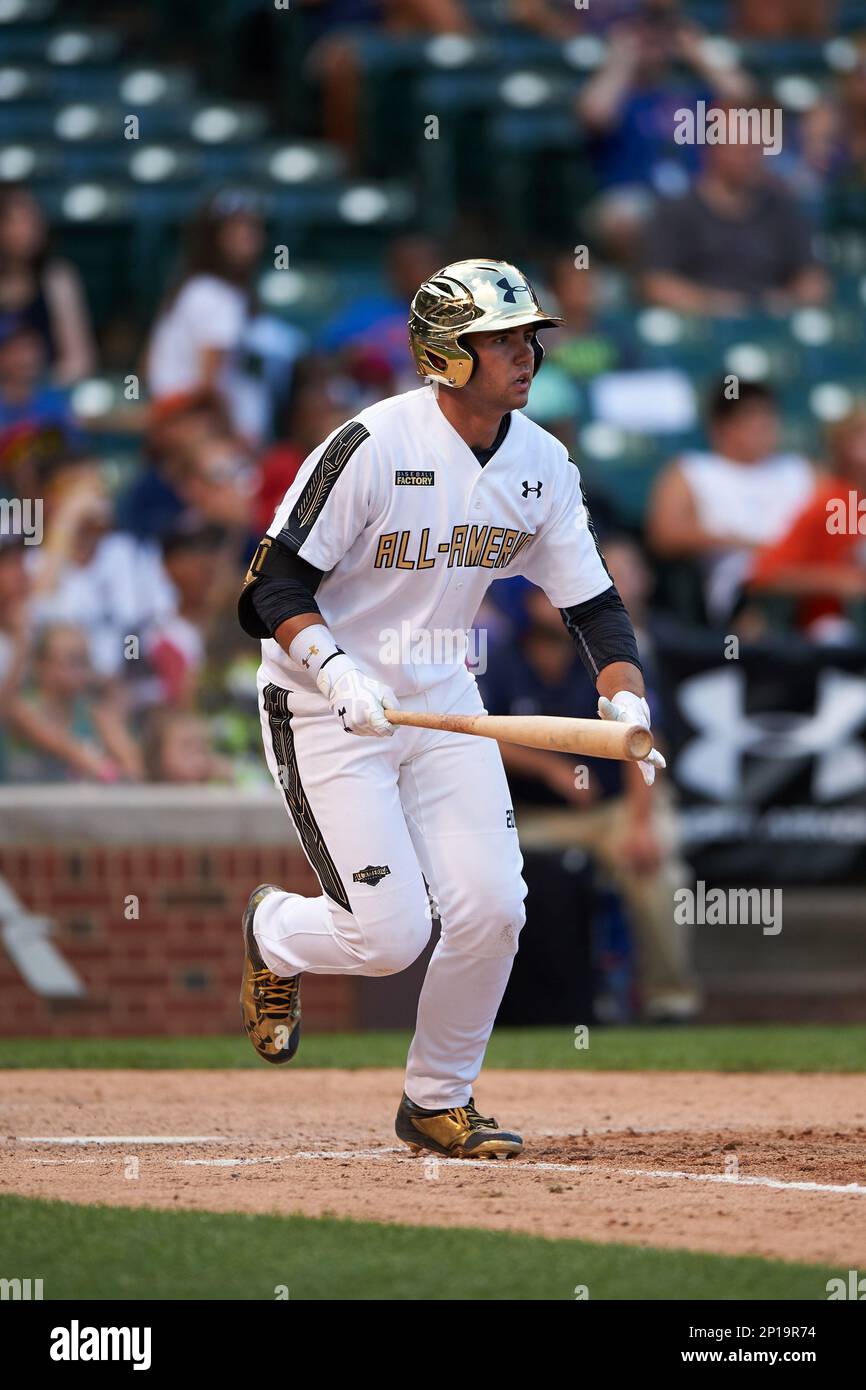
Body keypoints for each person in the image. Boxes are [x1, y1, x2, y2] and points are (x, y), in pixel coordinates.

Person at [236, 258, 664, 1160]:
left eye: (529, 337)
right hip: (323, 702)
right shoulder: (370, 444)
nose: (525, 354)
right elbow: (269, 586)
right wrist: (337, 670)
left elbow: (592, 605)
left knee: (494, 908)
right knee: (389, 938)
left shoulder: (542, 463)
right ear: (445, 353)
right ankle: (275, 932)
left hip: (442, 697)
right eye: (501, 340)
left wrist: (623, 691)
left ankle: (437, 1099)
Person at [481, 561, 700, 1023]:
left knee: (656, 869)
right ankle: (499, 1007)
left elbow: (644, 741)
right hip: (531, 817)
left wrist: (640, 823)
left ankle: (669, 1004)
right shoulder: (501, 658)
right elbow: (480, 733)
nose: (555, 603)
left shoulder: (607, 658)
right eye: (543, 595)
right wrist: (550, 768)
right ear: (526, 604)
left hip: (612, 810)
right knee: (481, 879)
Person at [647, 380, 816, 624]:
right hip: (744, 587)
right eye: (752, 419)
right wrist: (748, 543)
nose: (764, 428)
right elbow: (665, 535)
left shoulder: (799, 469)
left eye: (768, 418)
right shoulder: (691, 471)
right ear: (721, 427)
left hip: (810, 576)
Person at [147, 191, 302, 446]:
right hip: (196, 430)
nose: (248, 238)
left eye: (252, 229)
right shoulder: (214, 295)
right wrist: (233, 438)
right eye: (236, 230)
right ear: (213, 238)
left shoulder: (202, 289)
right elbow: (209, 386)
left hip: (193, 428)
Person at [641, 104, 829, 314]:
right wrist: (721, 306)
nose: (753, 158)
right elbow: (657, 285)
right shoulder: (676, 212)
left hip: (770, 320)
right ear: (713, 151)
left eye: (757, 149)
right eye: (743, 150)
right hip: (701, 323)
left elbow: (813, 280)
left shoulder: (782, 210)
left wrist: (788, 302)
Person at [748, 406, 866, 639]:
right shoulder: (832, 503)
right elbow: (766, 574)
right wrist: (842, 580)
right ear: (845, 446)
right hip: (834, 629)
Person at [6, 622, 140, 782]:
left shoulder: (97, 715)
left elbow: (133, 768)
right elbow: (63, 746)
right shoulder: (21, 711)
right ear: (41, 665)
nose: (81, 668)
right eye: (72, 659)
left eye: (85, 660)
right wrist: (107, 772)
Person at [0, 184, 96, 385]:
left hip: (44, 392)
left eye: (33, 219)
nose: (29, 229)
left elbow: (80, 360)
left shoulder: (58, 279)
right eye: (16, 220)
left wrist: (37, 384)